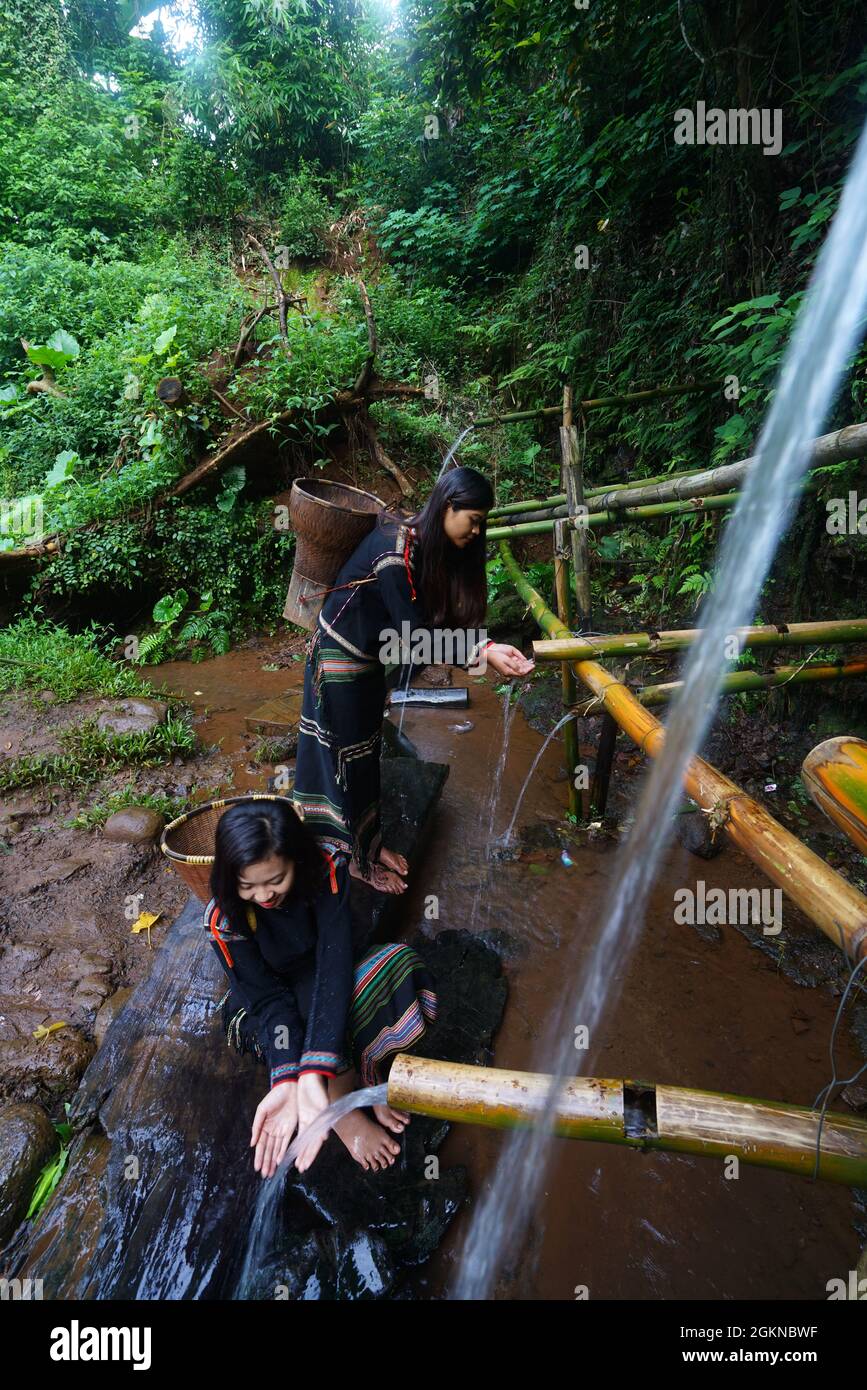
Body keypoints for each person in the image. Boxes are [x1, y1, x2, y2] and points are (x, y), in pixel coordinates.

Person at [292, 466, 535, 892]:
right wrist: (483, 652)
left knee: (366, 753)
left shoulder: (426, 549)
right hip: (340, 656)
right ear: (447, 506)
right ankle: (350, 858)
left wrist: (487, 644)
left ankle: (370, 843)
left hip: (370, 656)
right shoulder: (393, 550)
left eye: (482, 523)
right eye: (473, 520)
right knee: (343, 758)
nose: (477, 532)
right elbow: (415, 638)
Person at [205, 797, 437, 1178]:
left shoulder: (326, 866)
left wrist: (312, 1070)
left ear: (296, 859)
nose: (264, 896)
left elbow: (334, 962)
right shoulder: (222, 918)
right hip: (264, 1010)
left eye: (276, 880)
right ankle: (341, 1105)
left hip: (325, 971)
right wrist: (286, 1076)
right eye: (248, 886)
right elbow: (267, 1002)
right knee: (308, 1016)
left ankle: (361, 1076)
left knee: (397, 967)